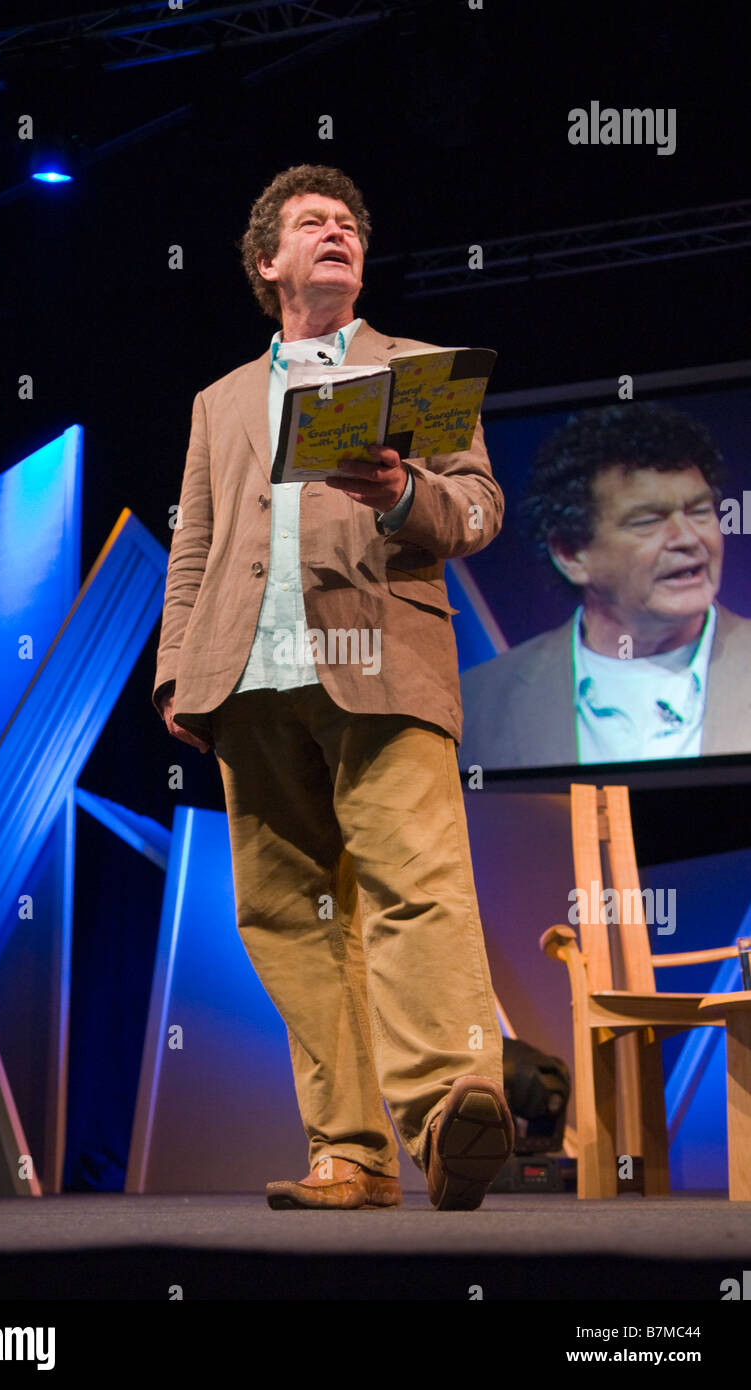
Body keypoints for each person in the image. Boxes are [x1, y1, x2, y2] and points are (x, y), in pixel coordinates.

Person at [153, 164, 513, 1210]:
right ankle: (348, 1154)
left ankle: (455, 1113)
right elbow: (195, 549)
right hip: (246, 681)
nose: (338, 230)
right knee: (284, 915)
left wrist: (405, 494)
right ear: (268, 264)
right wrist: (177, 667)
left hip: (381, 661)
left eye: (350, 221)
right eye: (312, 222)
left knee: (416, 887)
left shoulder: (418, 371)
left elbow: (481, 510)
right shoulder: (219, 399)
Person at [460, 403, 751, 769]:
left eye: (699, 511)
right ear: (571, 554)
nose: (688, 538)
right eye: (648, 521)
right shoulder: (474, 705)